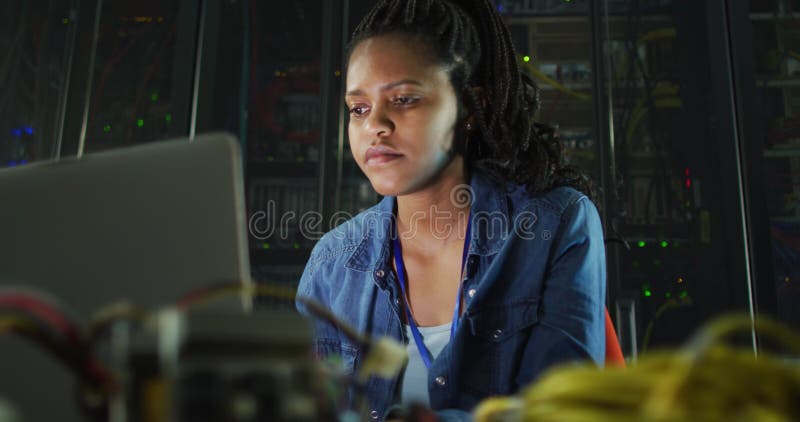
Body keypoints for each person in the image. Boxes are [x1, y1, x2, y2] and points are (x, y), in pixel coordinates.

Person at [296, 0, 606, 420]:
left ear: (468, 108)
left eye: (404, 99)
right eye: (359, 109)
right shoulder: (332, 264)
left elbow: (563, 412)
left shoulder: (555, 226)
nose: (375, 126)